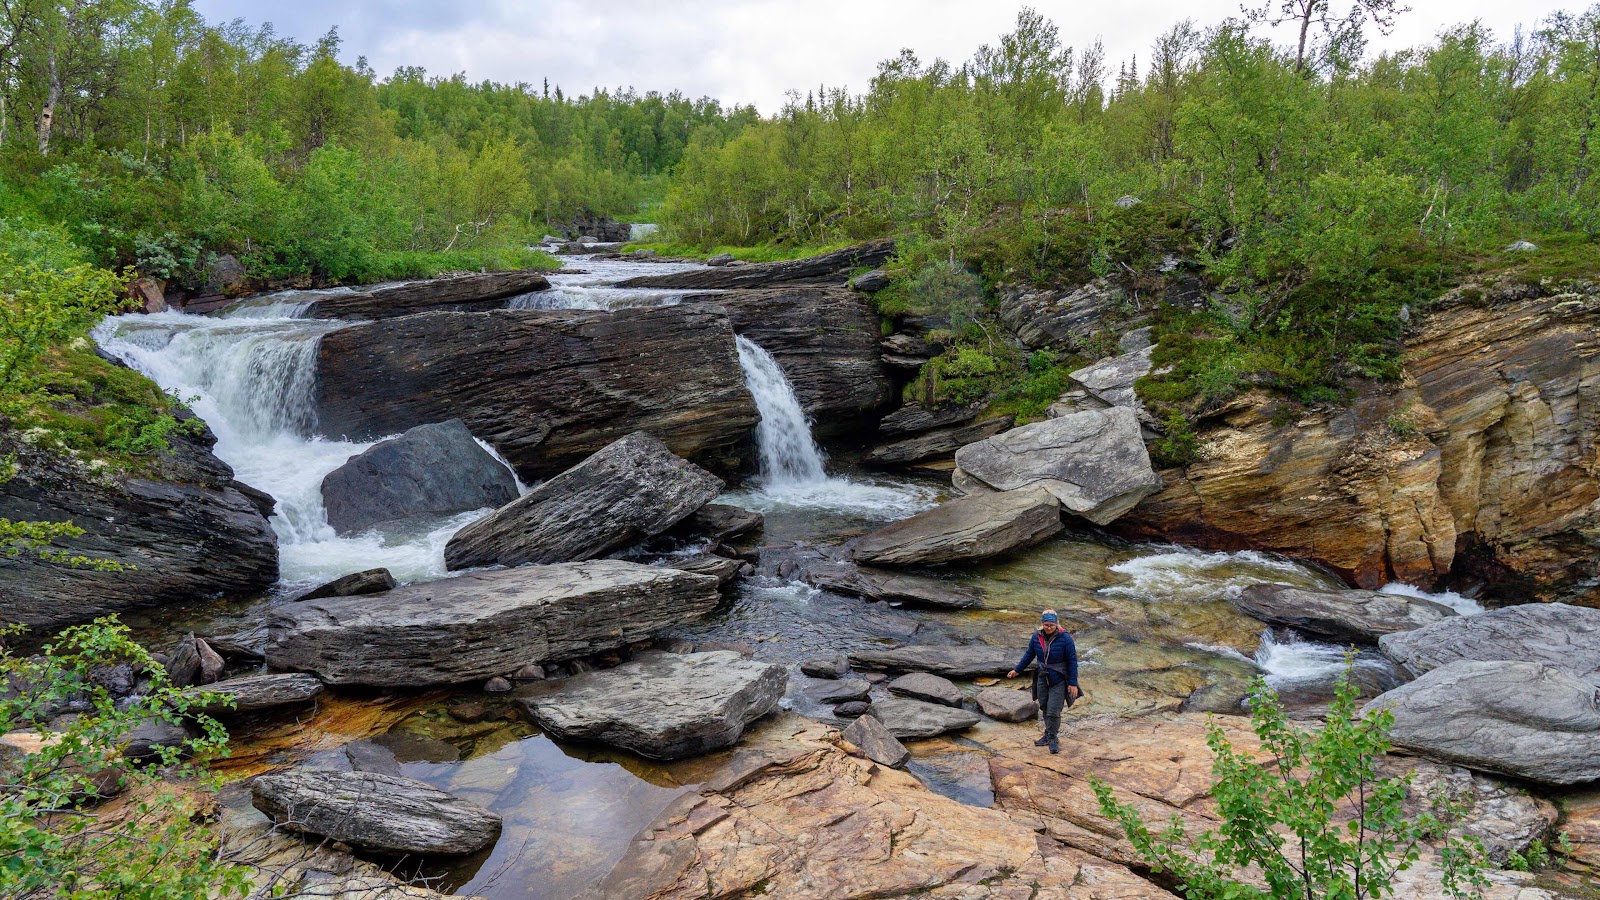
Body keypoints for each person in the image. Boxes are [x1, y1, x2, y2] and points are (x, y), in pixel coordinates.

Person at [1005, 609, 1079, 754]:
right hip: (1042, 677)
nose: (1049, 628)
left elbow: (1072, 661)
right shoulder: (1036, 637)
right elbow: (1029, 654)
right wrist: (1017, 670)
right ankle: (1047, 734)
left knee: (1053, 710)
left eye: (1052, 625)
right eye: (1046, 625)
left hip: (1059, 679)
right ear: (1042, 624)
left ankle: (1052, 737)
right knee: (1044, 706)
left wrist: (1072, 683)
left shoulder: (1065, 639)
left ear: (1056, 624)